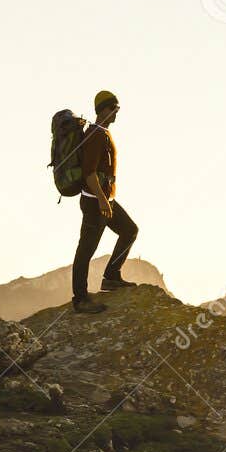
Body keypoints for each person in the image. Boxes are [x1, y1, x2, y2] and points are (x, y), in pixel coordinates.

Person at [70, 89, 139, 313]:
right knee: (86, 250)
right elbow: (89, 173)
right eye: (114, 108)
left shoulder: (102, 133)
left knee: (129, 230)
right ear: (103, 110)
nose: (117, 113)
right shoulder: (95, 135)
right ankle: (80, 299)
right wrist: (102, 200)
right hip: (95, 202)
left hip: (105, 199)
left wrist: (106, 199)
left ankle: (111, 276)